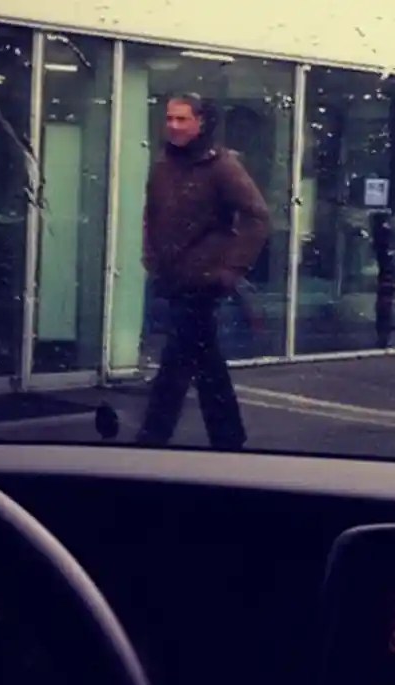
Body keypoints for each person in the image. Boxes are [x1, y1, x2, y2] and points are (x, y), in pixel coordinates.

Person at [135, 93, 270, 450]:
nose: (173, 126)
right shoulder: (164, 166)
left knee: (176, 362)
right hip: (173, 276)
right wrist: (151, 255)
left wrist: (231, 269)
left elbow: (257, 216)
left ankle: (154, 434)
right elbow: (152, 215)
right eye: (169, 119)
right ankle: (228, 437)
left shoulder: (222, 167)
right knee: (204, 361)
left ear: (201, 123)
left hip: (204, 279)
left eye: (182, 119)